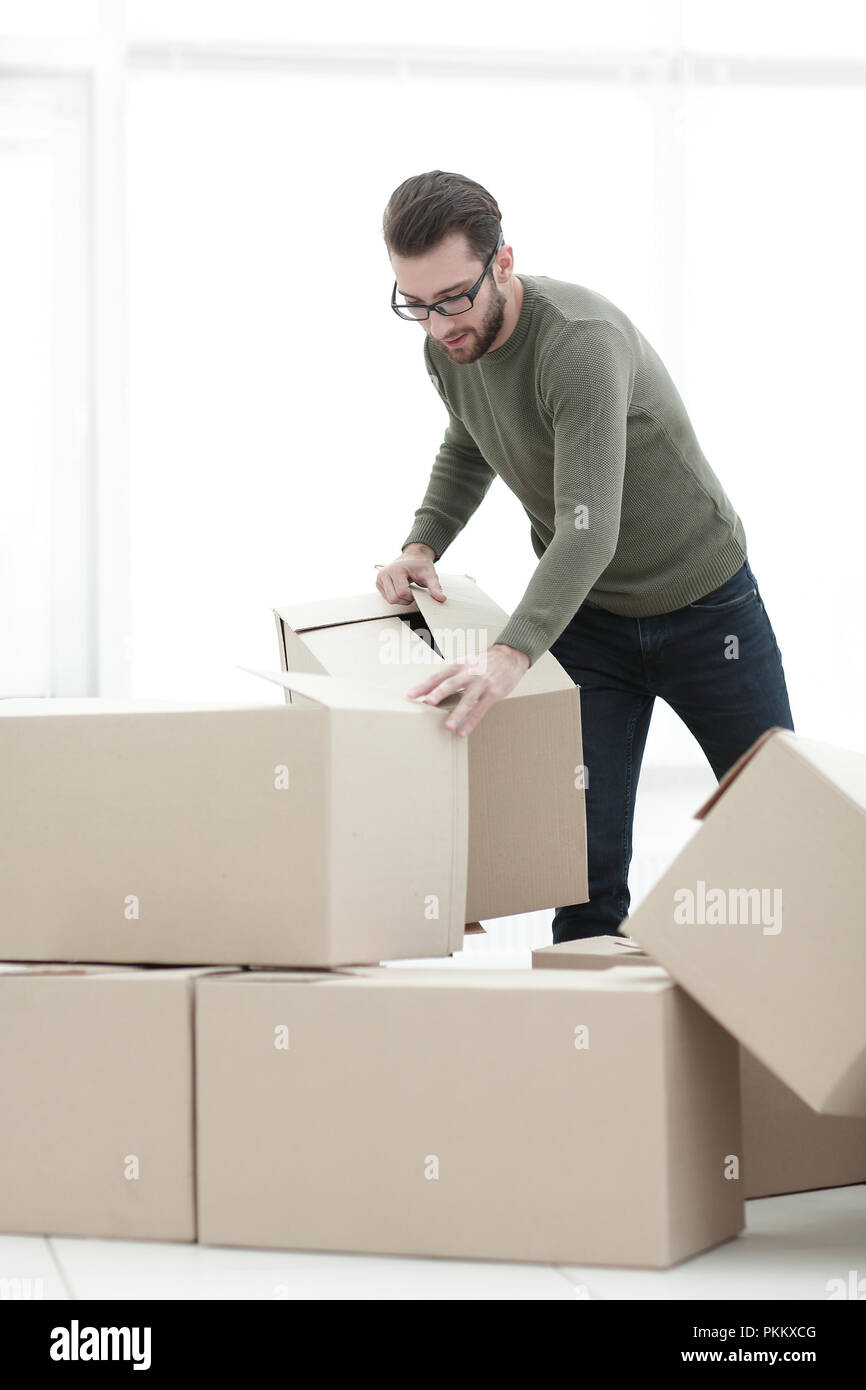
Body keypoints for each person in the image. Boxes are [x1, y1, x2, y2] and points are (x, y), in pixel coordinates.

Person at [376, 169, 794, 942]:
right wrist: (422, 542)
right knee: (584, 875)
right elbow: (470, 442)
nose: (437, 326)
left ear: (504, 263)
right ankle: (593, 1049)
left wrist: (508, 658)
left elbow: (587, 529)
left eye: (454, 298)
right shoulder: (448, 351)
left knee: (782, 829)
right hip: (593, 622)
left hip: (707, 606)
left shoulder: (578, 345)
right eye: (415, 304)